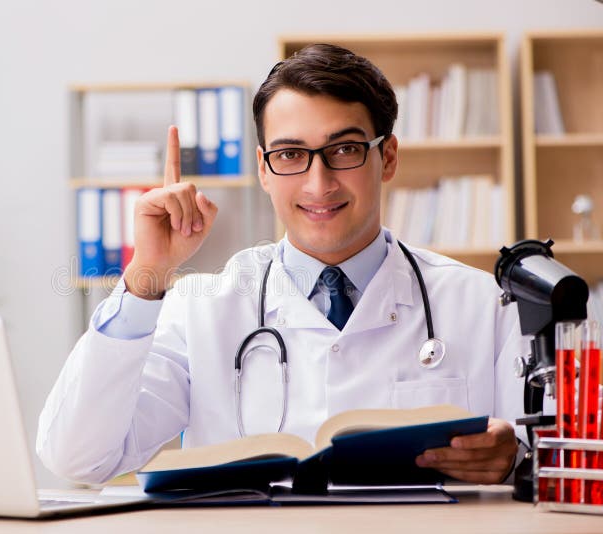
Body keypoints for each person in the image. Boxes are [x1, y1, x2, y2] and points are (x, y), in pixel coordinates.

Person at [37, 44, 526, 486]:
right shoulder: (200, 311)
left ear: (389, 157)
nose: (319, 183)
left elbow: (557, 460)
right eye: (291, 154)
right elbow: (79, 459)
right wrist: (146, 276)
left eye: (345, 150)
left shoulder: (483, 303)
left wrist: (516, 461)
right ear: (263, 169)